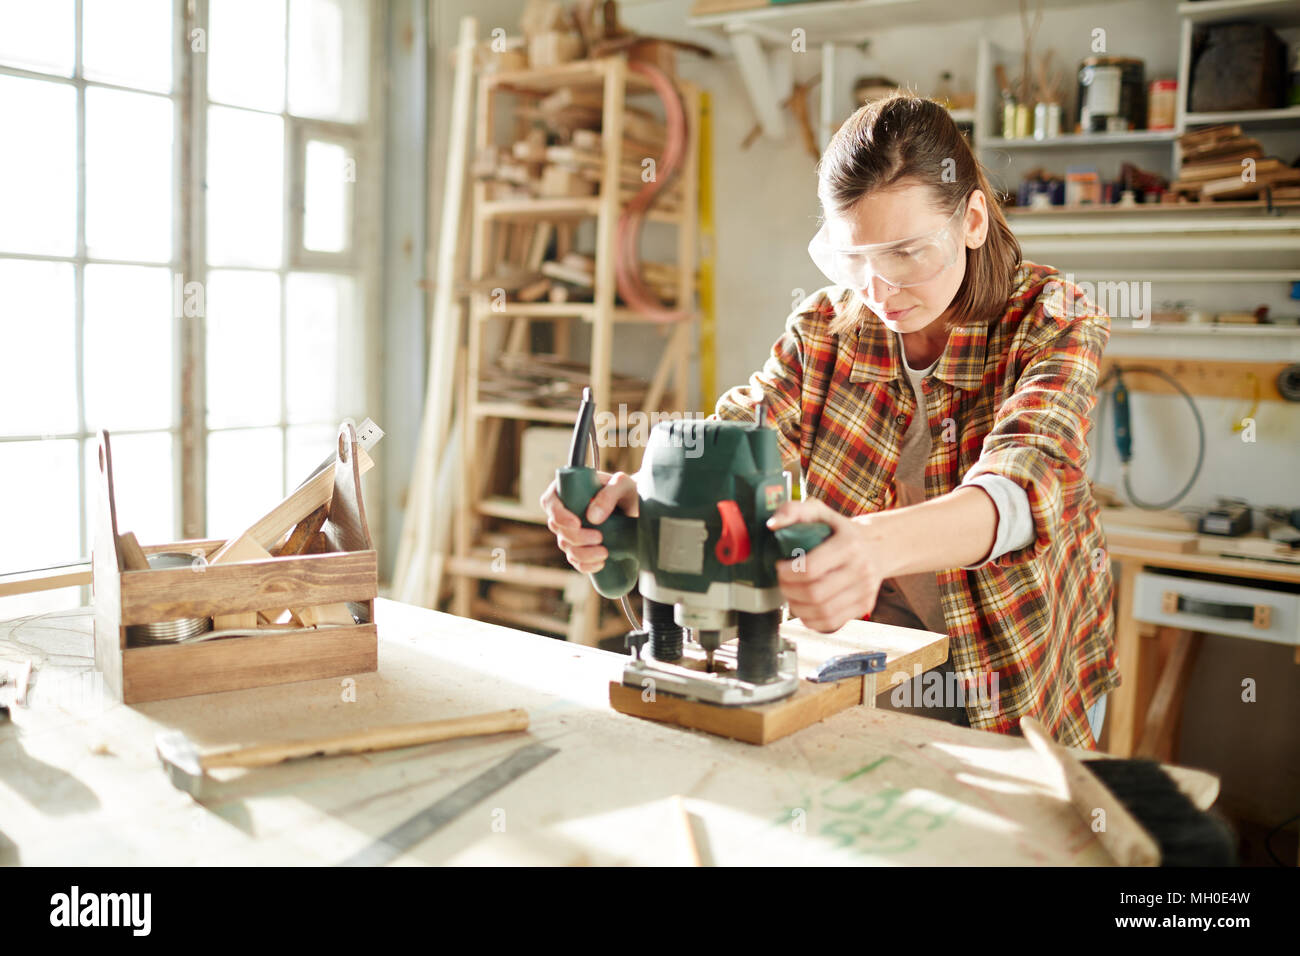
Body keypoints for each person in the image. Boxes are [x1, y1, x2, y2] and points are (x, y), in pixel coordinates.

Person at [539, 93, 1118, 750]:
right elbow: (732, 439)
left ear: (974, 220)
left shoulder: (1053, 319)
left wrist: (870, 548)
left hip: (1019, 664)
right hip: (882, 653)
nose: (880, 290)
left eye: (906, 253)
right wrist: (640, 497)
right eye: (857, 259)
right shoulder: (825, 328)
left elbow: (1021, 489)